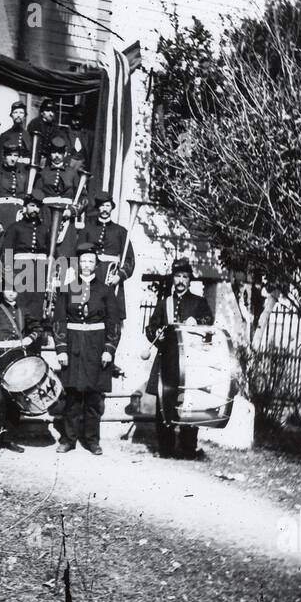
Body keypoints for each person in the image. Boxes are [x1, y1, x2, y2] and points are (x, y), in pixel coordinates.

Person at [53, 241, 120, 456]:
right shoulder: (68, 288)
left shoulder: (106, 290)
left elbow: (114, 322)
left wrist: (109, 349)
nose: (86, 264)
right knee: (71, 395)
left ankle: (92, 440)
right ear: (78, 263)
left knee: (93, 397)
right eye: (83, 260)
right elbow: (59, 320)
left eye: (91, 260)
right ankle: (68, 439)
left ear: (96, 263)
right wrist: (61, 349)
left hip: (96, 346)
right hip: (73, 345)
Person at [145, 256, 215, 460]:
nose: (181, 280)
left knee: (190, 403)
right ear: (173, 278)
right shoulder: (164, 303)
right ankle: (165, 448)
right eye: (177, 276)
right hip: (167, 360)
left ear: (189, 280)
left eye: (185, 276)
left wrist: (198, 321)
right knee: (164, 403)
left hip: (191, 363)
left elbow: (209, 324)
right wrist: (157, 334)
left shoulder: (199, 303)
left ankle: (188, 448)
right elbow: (150, 328)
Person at [0, 287, 42, 453]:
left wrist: (30, 338)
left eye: (15, 290)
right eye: (8, 289)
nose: (11, 293)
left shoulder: (23, 311)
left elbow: (37, 329)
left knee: (15, 400)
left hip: (18, 358)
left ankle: (9, 439)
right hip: (0, 359)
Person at [2, 192, 52, 325]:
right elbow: (7, 253)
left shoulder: (45, 229)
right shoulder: (15, 227)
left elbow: (50, 253)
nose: (35, 209)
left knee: (37, 303)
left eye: (37, 207)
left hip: (40, 270)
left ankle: (35, 339)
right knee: (21, 303)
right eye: (32, 205)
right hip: (21, 269)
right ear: (25, 207)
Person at [84, 190, 136, 319]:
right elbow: (78, 255)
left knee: (112, 315)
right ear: (98, 208)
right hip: (92, 276)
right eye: (102, 205)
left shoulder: (121, 231)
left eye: (107, 205)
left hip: (112, 279)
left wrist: (120, 275)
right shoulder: (88, 229)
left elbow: (130, 259)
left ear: (112, 207)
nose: (105, 209)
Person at [0, 142, 28, 263]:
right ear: (4, 156)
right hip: (0, 219)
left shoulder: (22, 176)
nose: (13, 159)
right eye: (10, 155)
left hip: (15, 219)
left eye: (16, 155)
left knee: (11, 254)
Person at [0, 100, 32, 167]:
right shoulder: (4, 135)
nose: (18, 115)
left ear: (25, 116)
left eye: (21, 113)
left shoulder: (29, 136)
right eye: (15, 112)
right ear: (11, 115)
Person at [27, 97, 60, 164]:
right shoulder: (34, 123)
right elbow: (28, 142)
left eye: (53, 111)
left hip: (48, 159)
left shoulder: (55, 127)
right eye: (48, 110)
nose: (51, 114)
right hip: (34, 157)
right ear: (42, 112)